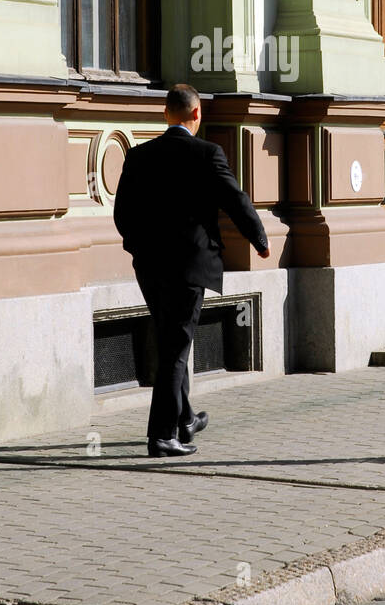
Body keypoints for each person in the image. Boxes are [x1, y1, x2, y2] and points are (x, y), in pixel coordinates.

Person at [113, 83, 270, 457]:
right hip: (190, 267)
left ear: (166, 113)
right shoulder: (207, 154)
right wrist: (260, 239)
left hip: (150, 267)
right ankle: (162, 435)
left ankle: (183, 420)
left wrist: (140, 248)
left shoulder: (138, 157)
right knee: (175, 348)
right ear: (196, 114)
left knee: (171, 340)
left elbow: (122, 215)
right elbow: (235, 198)